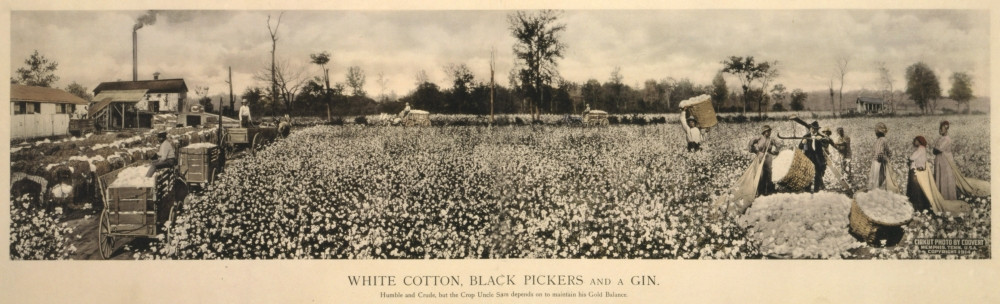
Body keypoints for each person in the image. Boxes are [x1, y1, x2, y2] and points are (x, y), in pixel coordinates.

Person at [749, 125, 781, 196]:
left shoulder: (771, 139)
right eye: (768, 131)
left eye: (770, 131)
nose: (769, 133)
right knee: (760, 173)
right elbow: (751, 142)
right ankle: (760, 191)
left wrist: (775, 152)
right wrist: (754, 150)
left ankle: (769, 190)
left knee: (769, 173)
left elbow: (778, 145)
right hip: (760, 156)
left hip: (768, 156)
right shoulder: (759, 138)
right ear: (764, 132)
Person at [800, 121, 829, 193]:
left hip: (818, 158)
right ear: (810, 128)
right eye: (812, 128)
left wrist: (822, 140)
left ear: (817, 129)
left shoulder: (820, 136)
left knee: (818, 174)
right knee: (808, 174)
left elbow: (826, 144)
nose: (813, 130)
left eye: (815, 129)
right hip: (809, 157)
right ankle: (807, 190)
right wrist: (803, 143)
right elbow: (800, 147)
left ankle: (816, 190)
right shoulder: (806, 136)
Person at [868, 122, 898, 192]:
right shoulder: (883, 140)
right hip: (880, 162)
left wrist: (882, 157)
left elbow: (878, 153)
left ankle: (876, 191)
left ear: (877, 133)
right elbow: (888, 151)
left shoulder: (879, 140)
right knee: (881, 178)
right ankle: (880, 191)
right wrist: (887, 157)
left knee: (876, 178)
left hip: (877, 162)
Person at [932, 121, 957, 200]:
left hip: (945, 161)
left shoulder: (947, 139)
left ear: (946, 129)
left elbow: (938, 149)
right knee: (939, 177)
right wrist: (936, 149)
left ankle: (947, 198)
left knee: (945, 178)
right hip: (940, 160)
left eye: (942, 129)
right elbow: (934, 150)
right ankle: (940, 198)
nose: (940, 130)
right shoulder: (941, 138)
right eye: (940, 128)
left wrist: (936, 149)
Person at [906, 136, 931, 211]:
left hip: (916, 171)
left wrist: (909, 159)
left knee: (915, 189)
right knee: (919, 189)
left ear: (919, 141)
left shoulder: (920, 149)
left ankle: (917, 207)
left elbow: (912, 158)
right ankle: (922, 207)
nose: (914, 142)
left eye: (916, 141)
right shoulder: (923, 149)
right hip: (920, 170)